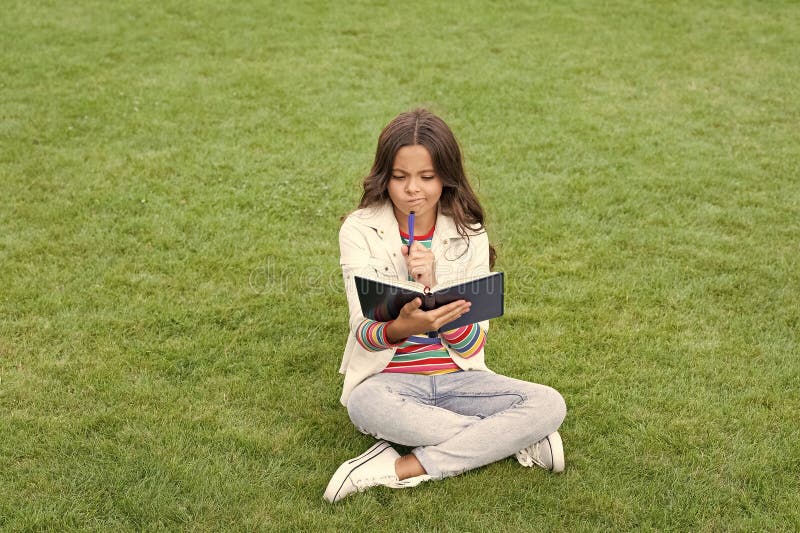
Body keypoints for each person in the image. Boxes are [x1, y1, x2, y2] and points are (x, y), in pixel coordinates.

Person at [323, 109, 567, 503]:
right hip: (389, 382)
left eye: (427, 177)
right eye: (400, 177)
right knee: (364, 404)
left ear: (446, 176)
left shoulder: (469, 233)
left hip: (461, 379)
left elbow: (471, 346)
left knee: (549, 403)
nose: (412, 190)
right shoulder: (359, 228)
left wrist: (434, 286)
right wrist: (404, 326)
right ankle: (514, 438)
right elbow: (364, 332)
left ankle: (397, 466)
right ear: (384, 176)